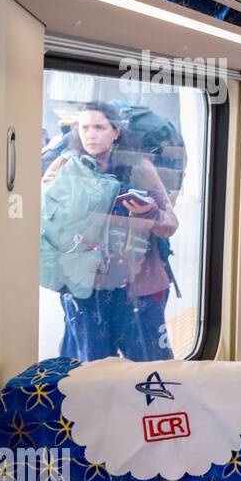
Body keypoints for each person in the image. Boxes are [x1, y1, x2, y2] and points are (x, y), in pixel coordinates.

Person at [40, 101, 179, 362]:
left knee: (149, 367)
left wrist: (149, 213)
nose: (90, 134)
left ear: (116, 131)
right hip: (86, 287)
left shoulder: (139, 168)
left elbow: (169, 224)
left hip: (137, 286)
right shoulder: (64, 166)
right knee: (88, 368)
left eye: (99, 127)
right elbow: (45, 220)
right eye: (84, 127)